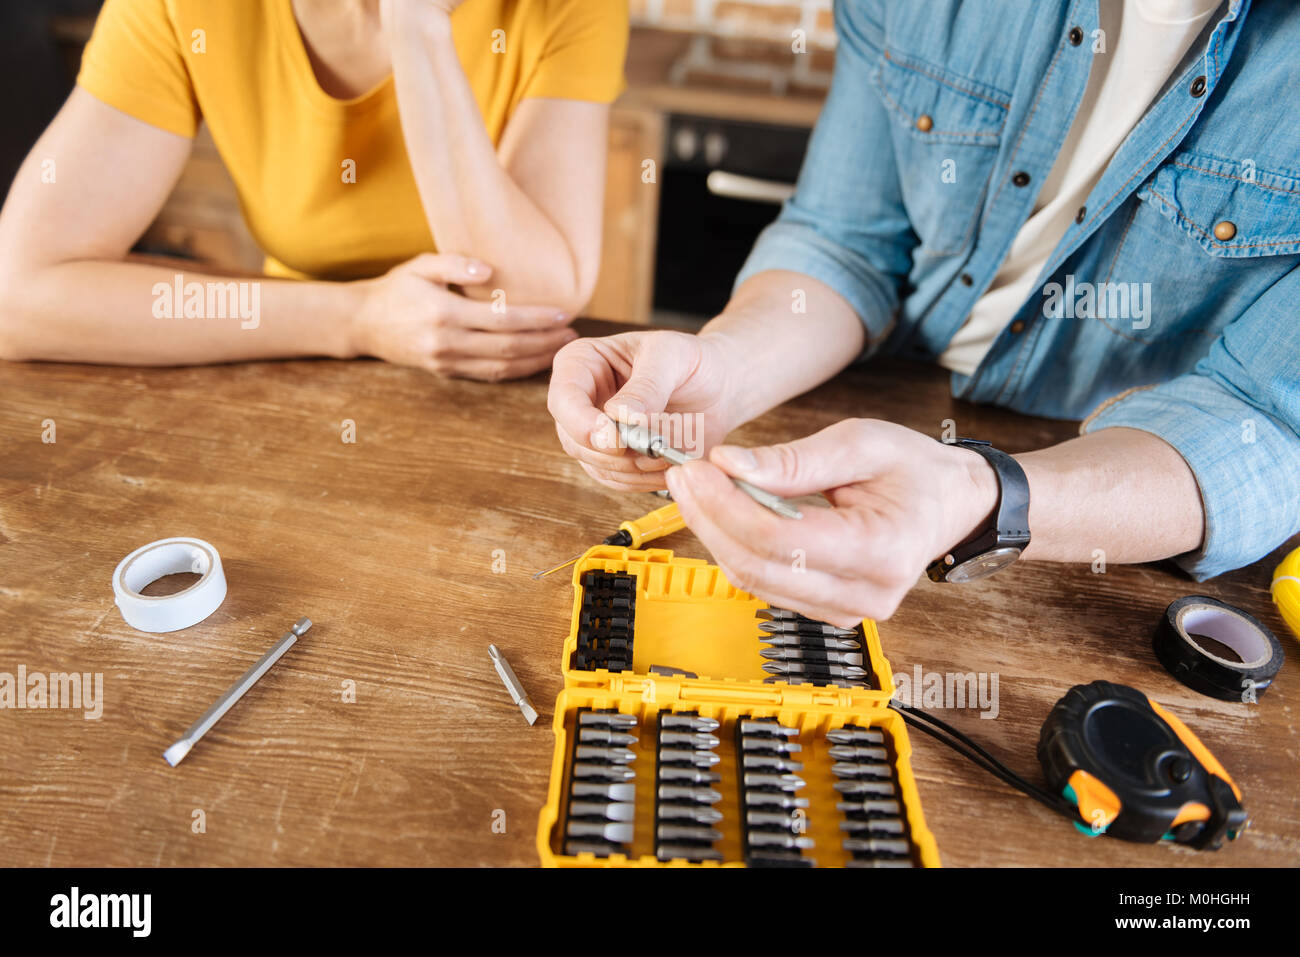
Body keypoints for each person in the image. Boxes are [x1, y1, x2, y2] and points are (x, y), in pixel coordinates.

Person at [548, 0, 1300, 627]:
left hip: (1103, 516)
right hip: (889, 407)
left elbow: (1267, 427)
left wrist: (978, 496)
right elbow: (846, 240)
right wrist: (728, 368)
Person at [0, 0, 627, 380]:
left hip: (496, 394)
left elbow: (521, 303)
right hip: (289, 359)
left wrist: (415, 29)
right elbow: (19, 297)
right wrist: (357, 320)